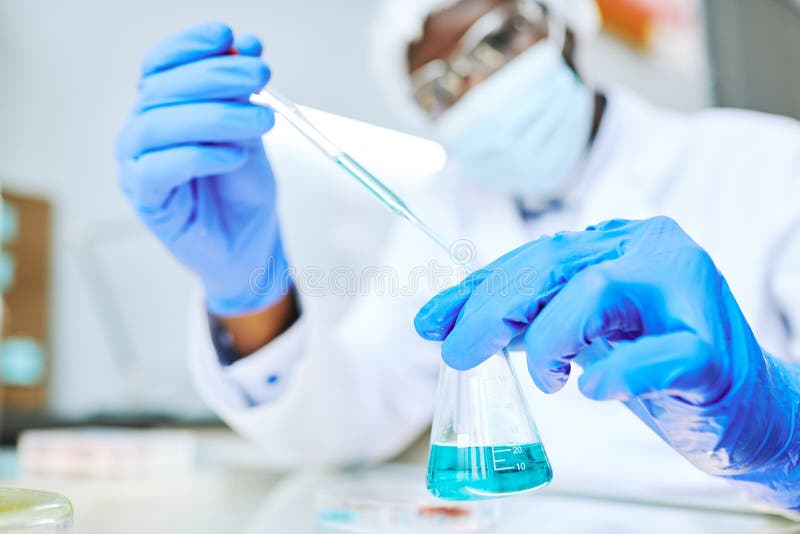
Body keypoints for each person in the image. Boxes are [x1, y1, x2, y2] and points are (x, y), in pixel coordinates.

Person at [115, 0, 800, 506]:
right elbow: (350, 418)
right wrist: (249, 286)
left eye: (497, 39)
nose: (478, 86)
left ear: (563, 26)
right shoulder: (446, 206)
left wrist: (782, 430)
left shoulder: (765, 161)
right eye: (441, 86)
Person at [415, 216, 800, 510]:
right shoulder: (444, 192)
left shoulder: (768, 158)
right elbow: (373, 385)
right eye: (433, 103)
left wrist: (785, 431)